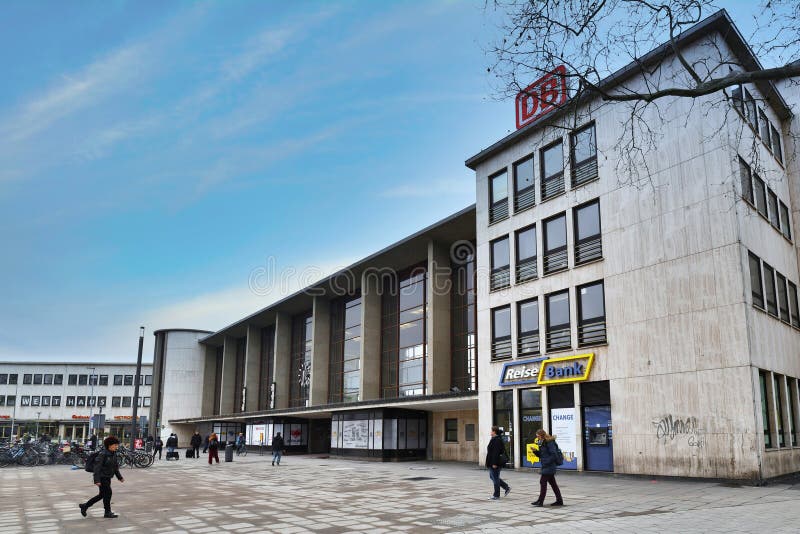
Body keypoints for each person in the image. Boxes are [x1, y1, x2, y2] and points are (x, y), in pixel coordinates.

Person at [79, 435, 124, 519]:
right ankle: (107, 512)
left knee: (102, 495)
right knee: (108, 493)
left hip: (107, 477)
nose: (116, 447)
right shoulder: (102, 454)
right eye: (115, 445)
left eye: (117, 445)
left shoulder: (113, 454)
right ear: (109, 445)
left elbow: (115, 467)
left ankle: (85, 506)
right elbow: (97, 468)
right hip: (102, 477)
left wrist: (119, 477)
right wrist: (97, 480)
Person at [531, 429, 564, 507]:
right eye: (537, 436)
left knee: (543, 482)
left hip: (549, 466)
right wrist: (535, 451)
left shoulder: (549, 442)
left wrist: (546, 462)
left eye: (538, 436)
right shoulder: (542, 442)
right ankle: (559, 500)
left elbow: (554, 455)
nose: (537, 438)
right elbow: (542, 455)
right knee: (553, 484)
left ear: (542, 435)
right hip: (546, 465)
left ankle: (540, 501)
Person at [485, 425, 511, 500]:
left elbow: (496, 453)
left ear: (494, 432)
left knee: (495, 478)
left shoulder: (497, 440)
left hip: (495, 463)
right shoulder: (494, 439)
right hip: (492, 462)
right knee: (492, 476)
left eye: (491, 431)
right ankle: (506, 487)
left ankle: (496, 495)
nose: (490, 432)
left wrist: (494, 463)